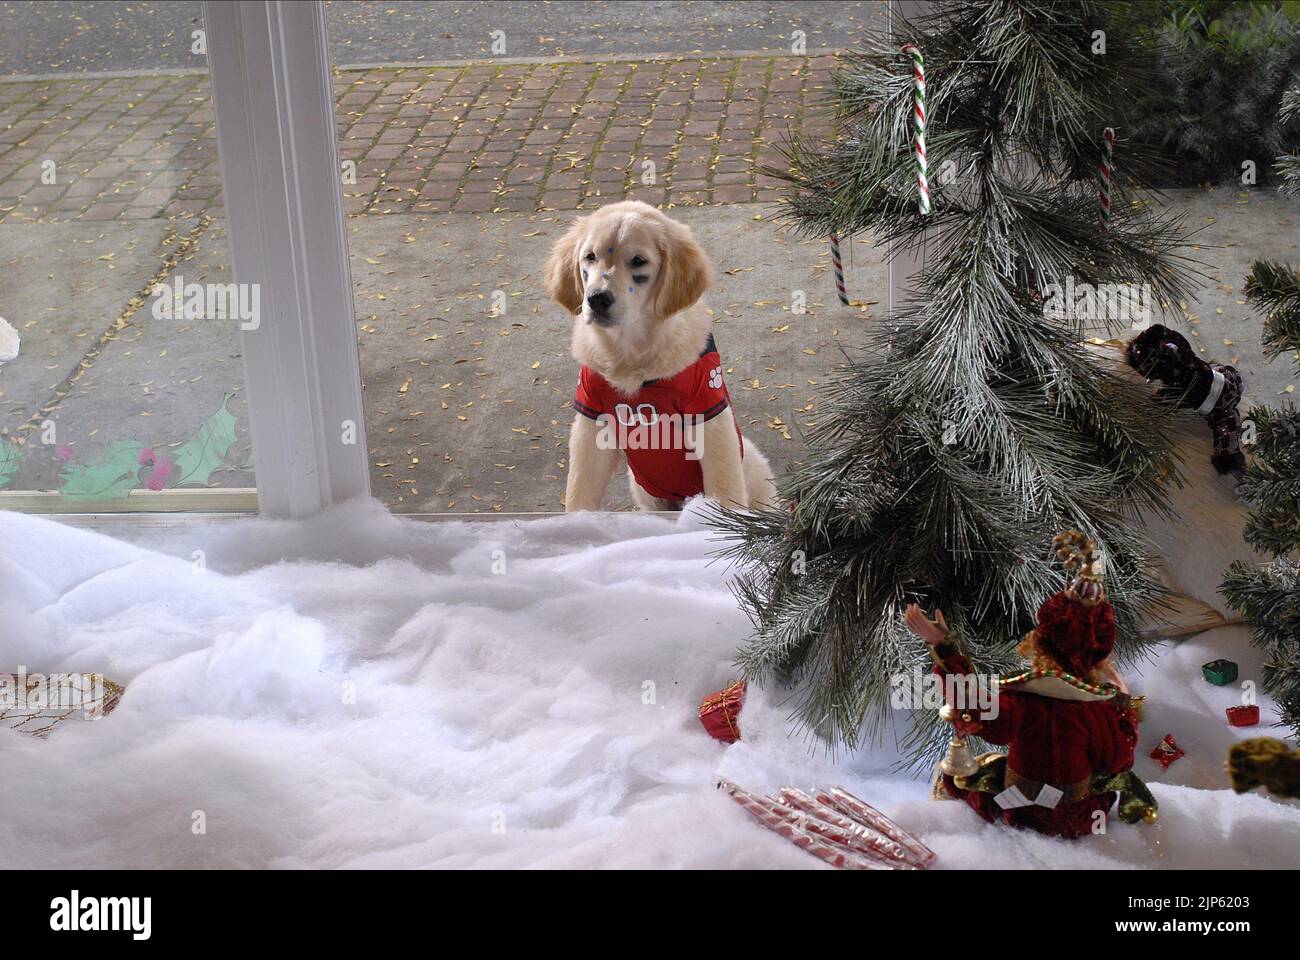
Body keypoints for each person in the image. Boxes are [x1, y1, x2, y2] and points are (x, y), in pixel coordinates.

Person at [904, 531, 1157, 839]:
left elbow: (974, 707)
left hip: (1023, 812)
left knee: (961, 780)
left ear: (1041, 642)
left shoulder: (1024, 700)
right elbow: (1117, 759)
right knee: (1104, 791)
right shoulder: (1097, 710)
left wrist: (944, 647)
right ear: (1098, 655)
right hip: (1082, 819)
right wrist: (1124, 706)